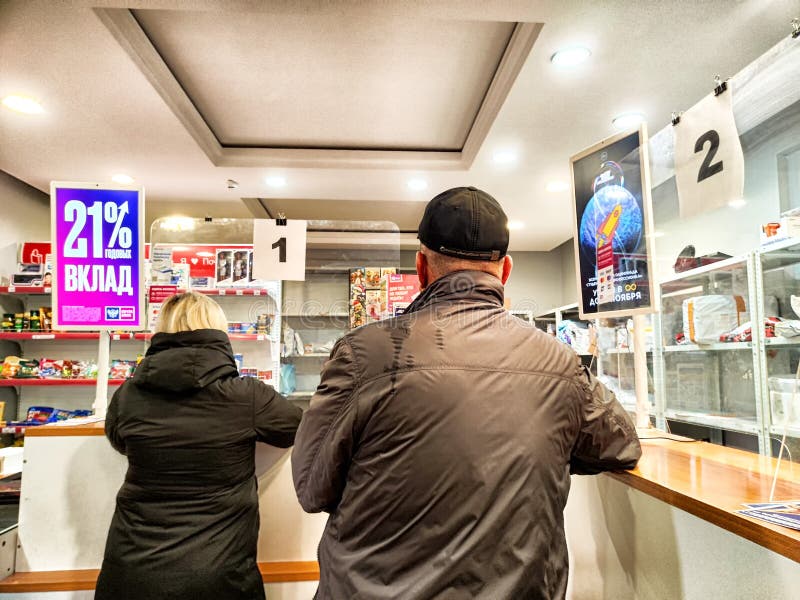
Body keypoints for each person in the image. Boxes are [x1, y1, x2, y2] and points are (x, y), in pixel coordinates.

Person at [292, 186, 641, 599]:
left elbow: (311, 487)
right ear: (505, 271)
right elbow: (621, 445)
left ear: (421, 268)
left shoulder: (362, 354)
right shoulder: (560, 363)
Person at [96, 292, 303, 600]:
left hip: (130, 574)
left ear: (161, 332)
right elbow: (299, 428)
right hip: (218, 577)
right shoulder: (247, 396)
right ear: (218, 333)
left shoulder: (127, 396)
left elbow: (118, 440)